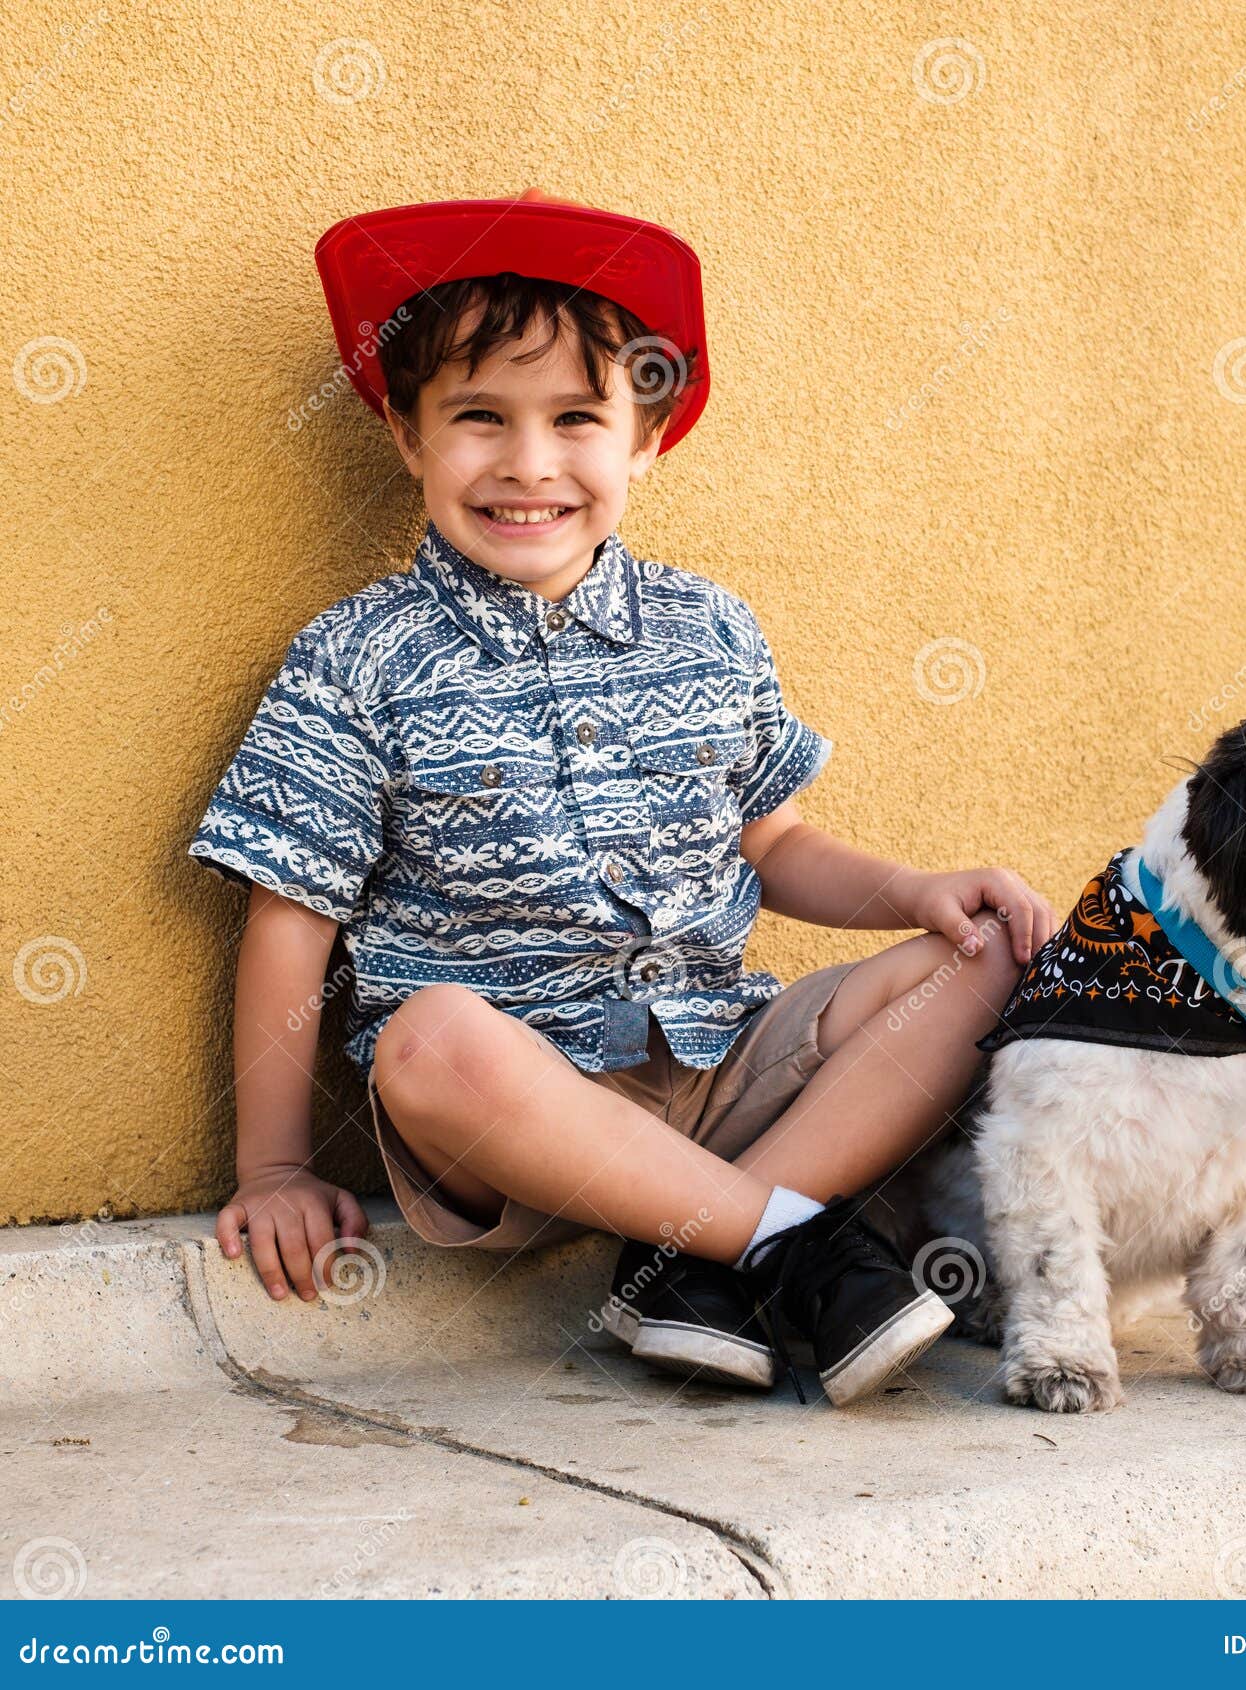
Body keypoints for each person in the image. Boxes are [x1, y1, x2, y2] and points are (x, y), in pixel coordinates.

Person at [188, 190, 1055, 1407]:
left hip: (725, 1070)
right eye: (477, 417)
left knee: (993, 952)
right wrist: (273, 1164)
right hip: (516, 1111)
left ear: (647, 439)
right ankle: (789, 1247)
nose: (528, 463)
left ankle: (692, 1255)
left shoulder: (710, 629)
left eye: (577, 419)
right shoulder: (358, 656)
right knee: (425, 1038)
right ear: (407, 436)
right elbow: (291, 916)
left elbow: (775, 840)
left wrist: (916, 891)